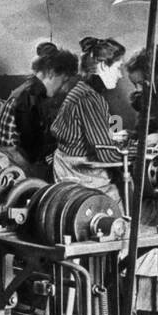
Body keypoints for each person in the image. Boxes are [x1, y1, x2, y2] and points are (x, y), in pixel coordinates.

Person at [49, 36, 128, 202]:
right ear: (102, 66)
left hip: (69, 169)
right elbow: (106, 152)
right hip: (81, 176)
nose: (120, 75)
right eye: (118, 68)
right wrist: (142, 151)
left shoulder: (82, 89)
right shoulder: (89, 98)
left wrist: (114, 136)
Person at [0, 42, 79, 178]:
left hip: (24, 157)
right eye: (63, 81)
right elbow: (32, 147)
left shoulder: (35, 91)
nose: (64, 88)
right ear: (51, 73)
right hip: (13, 163)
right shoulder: (27, 96)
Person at [125, 47, 158, 136]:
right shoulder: (142, 98)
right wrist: (130, 134)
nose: (138, 89)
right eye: (134, 84)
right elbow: (144, 132)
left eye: (142, 83)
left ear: (156, 75)